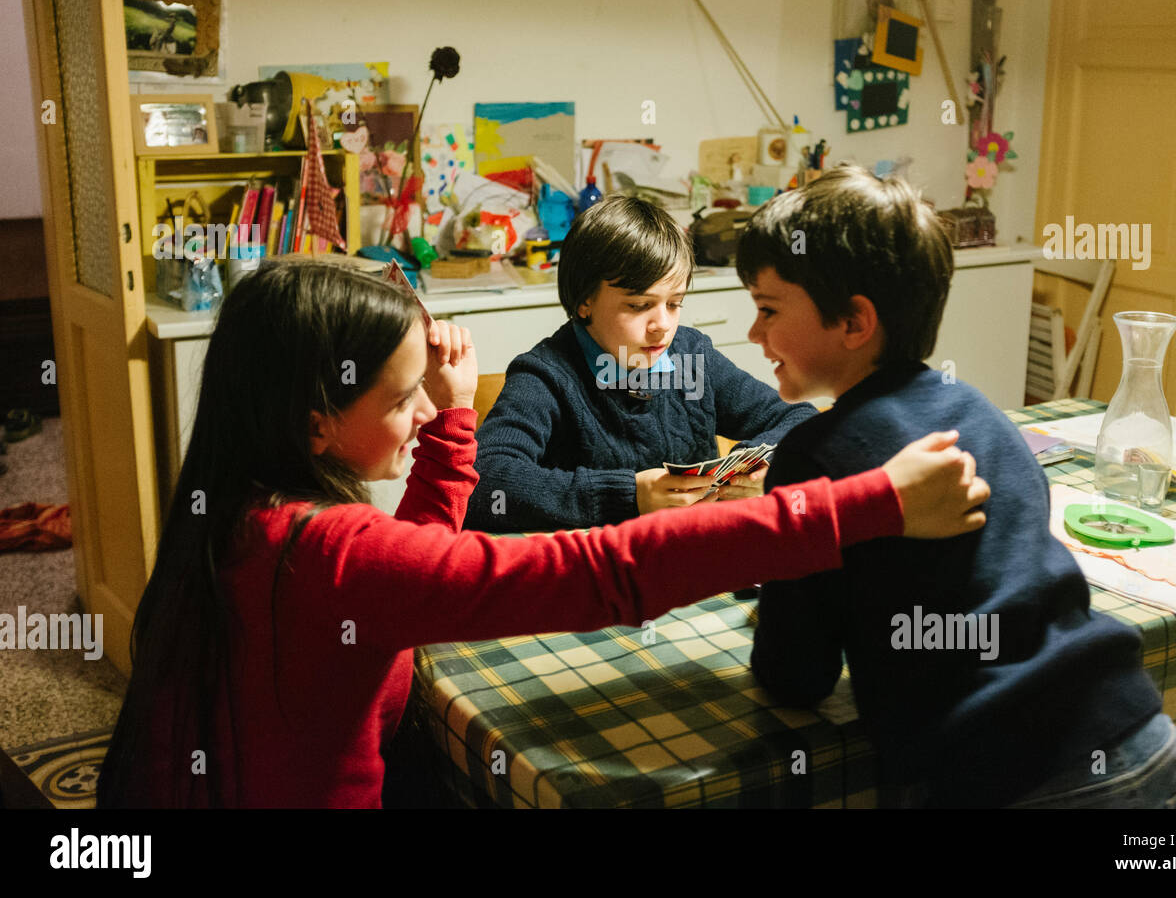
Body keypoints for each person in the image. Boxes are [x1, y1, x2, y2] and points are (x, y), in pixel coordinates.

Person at [96, 259, 989, 808]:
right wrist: (870, 504)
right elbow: (601, 573)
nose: (419, 413)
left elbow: (412, 576)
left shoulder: (246, 512)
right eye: (399, 397)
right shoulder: (333, 551)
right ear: (317, 420)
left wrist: (449, 417)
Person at [737, 166, 1176, 809]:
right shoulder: (983, 413)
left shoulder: (811, 457)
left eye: (766, 309)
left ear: (854, 321)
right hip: (1150, 746)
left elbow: (794, 677)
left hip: (1020, 783)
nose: (754, 334)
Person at [464, 195, 820, 533]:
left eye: (674, 303)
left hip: (690, 554)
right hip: (596, 574)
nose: (662, 325)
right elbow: (483, 483)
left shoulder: (692, 356)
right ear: (584, 300)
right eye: (639, 306)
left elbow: (798, 418)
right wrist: (628, 495)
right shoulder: (545, 377)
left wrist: (759, 467)